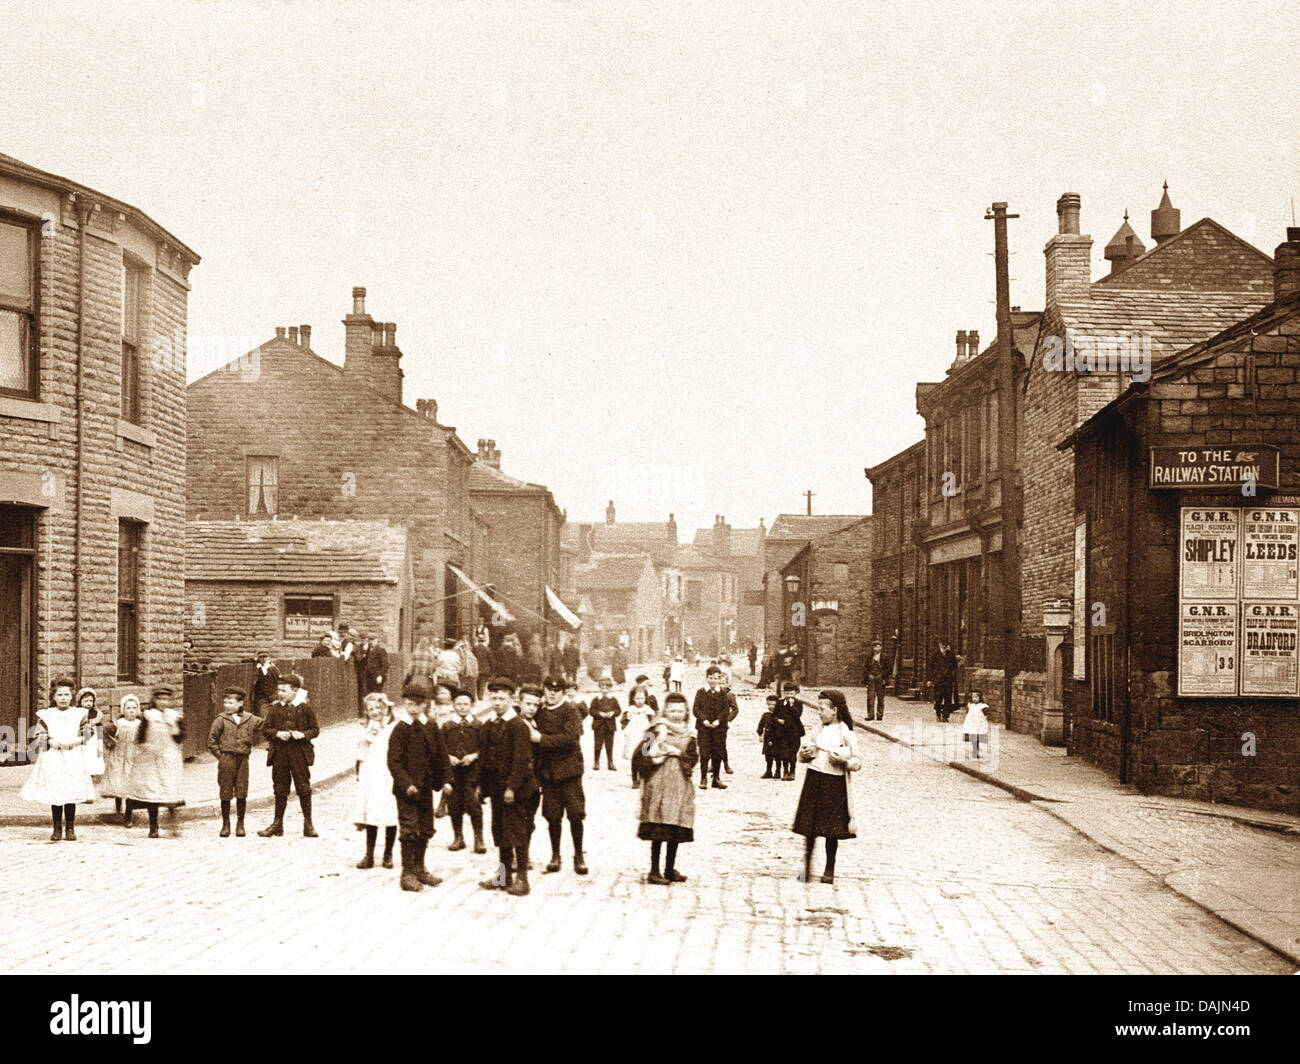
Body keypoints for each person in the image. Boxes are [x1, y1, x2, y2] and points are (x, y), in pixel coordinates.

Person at [386, 681, 452, 891]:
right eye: (409, 704)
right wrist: (406, 783)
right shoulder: (401, 728)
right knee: (409, 828)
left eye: (417, 704)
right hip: (407, 790)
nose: (413, 708)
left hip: (425, 787)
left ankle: (420, 868)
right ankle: (407, 873)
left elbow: (441, 754)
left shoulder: (431, 726)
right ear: (404, 704)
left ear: (425, 705)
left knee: (424, 827)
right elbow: (393, 761)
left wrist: (446, 780)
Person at [792, 689, 860, 884]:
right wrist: (805, 752)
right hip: (814, 779)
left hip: (834, 782)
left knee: (832, 829)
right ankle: (807, 864)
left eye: (822, 709)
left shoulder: (845, 733)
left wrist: (845, 760)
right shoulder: (818, 729)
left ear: (835, 711)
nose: (820, 713)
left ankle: (829, 868)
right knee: (809, 827)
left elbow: (857, 760)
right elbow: (804, 752)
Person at [479, 678, 539, 896]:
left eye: (502, 699)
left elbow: (521, 760)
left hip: (518, 790)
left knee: (518, 832)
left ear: (511, 699)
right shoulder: (489, 725)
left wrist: (511, 787)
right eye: (493, 698)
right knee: (501, 831)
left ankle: (522, 879)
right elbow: (484, 758)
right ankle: (503, 876)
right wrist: (482, 787)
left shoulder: (518, 726)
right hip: (497, 789)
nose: (497, 702)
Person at [635, 692, 697, 885]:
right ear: (665, 711)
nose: (676, 714)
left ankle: (669, 868)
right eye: (672, 710)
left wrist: (678, 753)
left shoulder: (689, 733)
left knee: (676, 825)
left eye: (680, 710)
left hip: (679, 785)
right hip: (658, 785)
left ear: (686, 712)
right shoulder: (656, 730)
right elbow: (641, 752)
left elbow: (694, 757)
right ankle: (654, 870)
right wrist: (655, 758)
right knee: (659, 825)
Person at [21, 678, 94, 841]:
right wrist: (50, 741)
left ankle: (70, 827)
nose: (63, 698)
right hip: (53, 756)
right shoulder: (47, 715)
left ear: (71, 696)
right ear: (53, 697)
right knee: (56, 792)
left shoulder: (78, 714)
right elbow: (39, 734)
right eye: (59, 694)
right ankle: (56, 828)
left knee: (70, 792)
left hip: (72, 755)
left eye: (66, 694)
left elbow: (88, 732)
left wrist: (76, 741)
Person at [532, 677, 588, 875]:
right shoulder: (539, 711)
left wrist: (542, 739)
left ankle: (579, 855)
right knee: (552, 816)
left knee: (575, 814)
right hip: (548, 772)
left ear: (563, 692)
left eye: (556, 690)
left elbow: (570, 738)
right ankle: (555, 855)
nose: (552, 693)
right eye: (548, 689)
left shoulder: (570, 710)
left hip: (570, 770)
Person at [257, 673, 320, 838]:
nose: (280, 693)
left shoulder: (305, 708)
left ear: (295, 691)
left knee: (303, 788)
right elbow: (266, 729)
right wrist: (277, 734)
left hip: (299, 753)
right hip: (280, 753)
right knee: (280, 788)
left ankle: (308, 824)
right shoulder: (275, 708)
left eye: (284, 690)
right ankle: (278, 824)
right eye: (279, 690)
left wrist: (303, 735)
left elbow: (315, 730)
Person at [125, 686, 187, 839]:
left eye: (166, 699)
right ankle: (154, 827)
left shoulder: (175, 716)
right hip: (150, 759)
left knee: (171, 792)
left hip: (169, 759)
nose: (163, 702)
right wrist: (145, 748)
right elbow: (139, 738)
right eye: (160, 699)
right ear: (155, 700)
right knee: (153, 794)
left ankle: (173, 823)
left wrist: (174, 728)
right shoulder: (148, 716)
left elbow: (180, 738)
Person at [206, 686, 263, 837]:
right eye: (225, 702)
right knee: (225, 792)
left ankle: (240, 824)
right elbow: (211, 741)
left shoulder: (250, 719)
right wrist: (221, 756)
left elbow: (266, 725)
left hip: (243, 760)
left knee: (241, 791)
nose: (226, 705)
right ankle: (226, 824)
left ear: (240, 703)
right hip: (227, 759)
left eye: (230, 702)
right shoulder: (220, 720)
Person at [352, 692, 399, 869]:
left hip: (388, 772)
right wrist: (359, 769)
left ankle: (388, 854)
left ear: (385, 708)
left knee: (389, 811)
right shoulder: (366, 727)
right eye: (371, 709)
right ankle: (369, 854)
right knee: (371, 810)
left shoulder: (393, 726)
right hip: (370, 772)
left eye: (378, 708)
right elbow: (361, 750)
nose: (375, 712)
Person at [441, 687, 486, 854]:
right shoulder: (447, 726)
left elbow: (485, 748)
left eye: (465, 704)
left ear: (471, 705)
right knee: (454, 805)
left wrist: (474, 756)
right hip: (453, 772)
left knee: (474, 804)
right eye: (458, 704)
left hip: (471, 772)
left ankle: (478, 838)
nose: (461, 707)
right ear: (453, 705)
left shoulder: (478, 725)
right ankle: (458, 837)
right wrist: (448, 757)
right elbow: (439, 748)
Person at [100, 694, 142, 823]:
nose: (131, 711)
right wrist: (109, 742)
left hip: (133, 757)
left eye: (134, 708)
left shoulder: (139, 724)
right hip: (118, 757)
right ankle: (118, 810)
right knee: (118, 782)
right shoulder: (118, 724)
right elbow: (106, 734)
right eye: (128, 708)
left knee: (130, 786)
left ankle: (128, 815)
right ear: (123, 710)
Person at [691, 665, 732, 790]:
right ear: (706, 678)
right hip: (704, 728)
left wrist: (718, 720)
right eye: (710, 678)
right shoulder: (701, 692)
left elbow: (726, 709)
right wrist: (704, 720)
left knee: (718, 752)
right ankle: (703, 778)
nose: (713, 681)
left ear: (719, 678)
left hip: (719, 728)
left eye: (715, 678)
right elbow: (695, 709)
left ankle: (716, 778)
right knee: (704, 752)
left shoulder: (723, 693)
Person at [771, 682, 805, 781]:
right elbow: (773, 715)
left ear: (795, 693)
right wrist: (778, 720)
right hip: (782, 732)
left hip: (794, 732)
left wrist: (791, 706)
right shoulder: (780, 703)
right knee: (784, 752)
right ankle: (785, 771)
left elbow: (798, 715)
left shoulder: (798, 703)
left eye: (791, 693)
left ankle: (792, 771)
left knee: (793, 753)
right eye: (787, 693)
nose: (789, 696)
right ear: (783, 693)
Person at [622, 686, 656, 785]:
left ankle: (642, 777)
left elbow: (652, 722)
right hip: (633, 735)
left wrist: (651, 734)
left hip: (644, 735)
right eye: (637, 698)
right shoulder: (630, 710)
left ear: (645, 698)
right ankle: (634, 778)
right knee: (634, 756)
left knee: (643, 756)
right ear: (633, 699)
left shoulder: (648, 710)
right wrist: (625, 728)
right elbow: (624, 720)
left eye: (642, 698)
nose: (640, 701)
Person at [588, 675, 620, 771]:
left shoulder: (613, 699)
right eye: (602, 688)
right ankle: (596, 762)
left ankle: (610, 762)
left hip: (610, 725)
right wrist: (599, 714)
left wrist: (613, 713)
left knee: (609, 744)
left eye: (607, 688)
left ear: (610, 688)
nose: (604, 690)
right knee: (598, 744)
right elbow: (591, 711)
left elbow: (618, 710)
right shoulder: (596, 699)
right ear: (599, 688)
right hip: (599, 725)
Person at [76, 687, 106, 782]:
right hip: (82, 736)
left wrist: (100, 740)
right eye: (86, 701)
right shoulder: (77, 713)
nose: (88, 703)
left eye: (91, 701)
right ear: (80, 701)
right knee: (83, 753)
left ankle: (93, 773)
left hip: (94, 739)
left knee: (93, 754)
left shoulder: (97, 714)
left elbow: (99, 727)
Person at [929, 639, 959, 723]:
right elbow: (930, 667)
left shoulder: (950, 654)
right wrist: (931, 679)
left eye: (945, 645)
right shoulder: (935, 654)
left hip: (948, 680)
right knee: (938, 698)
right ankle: (938, 713)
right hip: (938, 680)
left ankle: (945, 716)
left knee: (948, 698)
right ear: (939, 645)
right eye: (942, 645)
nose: (944, 647)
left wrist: (952, 675)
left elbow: (954, 667)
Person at [961, 688, 990, 760]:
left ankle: (977, 751)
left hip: (979, 724)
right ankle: (974, 752)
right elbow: (969, 713)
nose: (974, 699)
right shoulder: (970, 705)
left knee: (978, 738)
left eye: (976, 697)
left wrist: (984, 718)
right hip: (971, 724)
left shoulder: (982, 706)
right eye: (973, 697)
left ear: (980, 698)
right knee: (973, 737)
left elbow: (987, 714)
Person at [863, 639, 888, 722]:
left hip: (880, 679)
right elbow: (865, 667)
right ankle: (870, 715)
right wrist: (868, 675)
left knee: (880, 698)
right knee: (870, 698)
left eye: (877, 647)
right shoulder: (869, 657)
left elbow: (889, 669)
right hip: (871, 679)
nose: (876, 649)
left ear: (881, 648)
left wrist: (882, 676)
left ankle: (879, 715)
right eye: (874, 647)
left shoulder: (885, 657)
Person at [757, 693, 779, 779]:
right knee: (768, 755)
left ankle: (777, 771)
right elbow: (760, 725)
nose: (771, 706)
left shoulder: (780, 715)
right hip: (768, 738)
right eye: (769, 704)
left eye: (773, 704)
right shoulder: (765, 715)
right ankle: (768, 771)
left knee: (778, 755)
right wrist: (760, 734)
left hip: (777, 738)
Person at [362, 634, 390, 699]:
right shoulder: (368, 650)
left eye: (372, 640)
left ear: (376, 640)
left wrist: (380, 675)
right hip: (369, 677)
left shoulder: (380, 650)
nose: (371, 642)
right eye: (369, 640)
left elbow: (386, 664)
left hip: (377, 677)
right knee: (369, 697)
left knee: (376, 696)